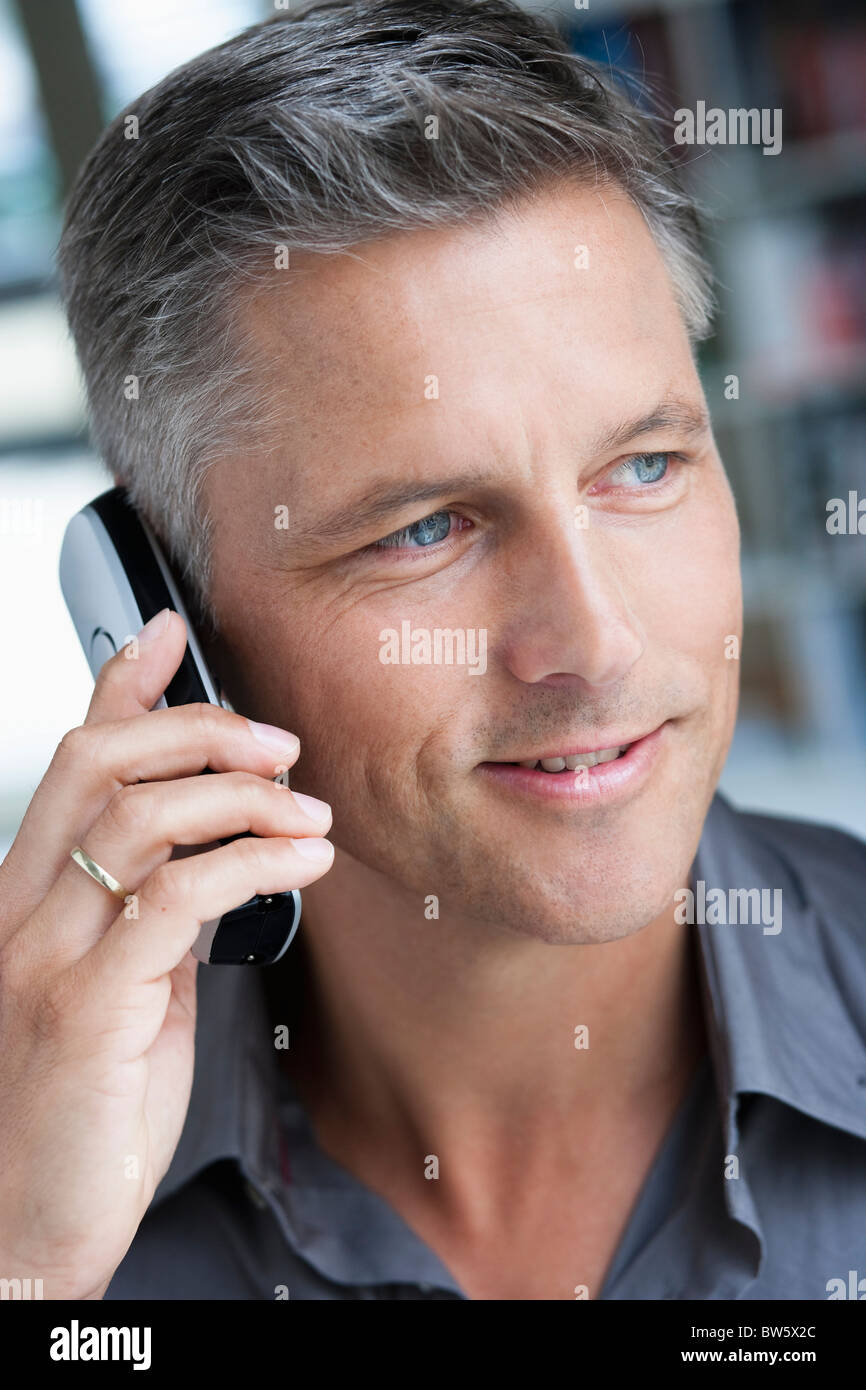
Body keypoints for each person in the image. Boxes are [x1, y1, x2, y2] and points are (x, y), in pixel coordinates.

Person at [1, 0, 864, 1302]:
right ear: (165, 607)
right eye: (422, 528)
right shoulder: (33, 1147)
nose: (594, 640)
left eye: (642, 463)